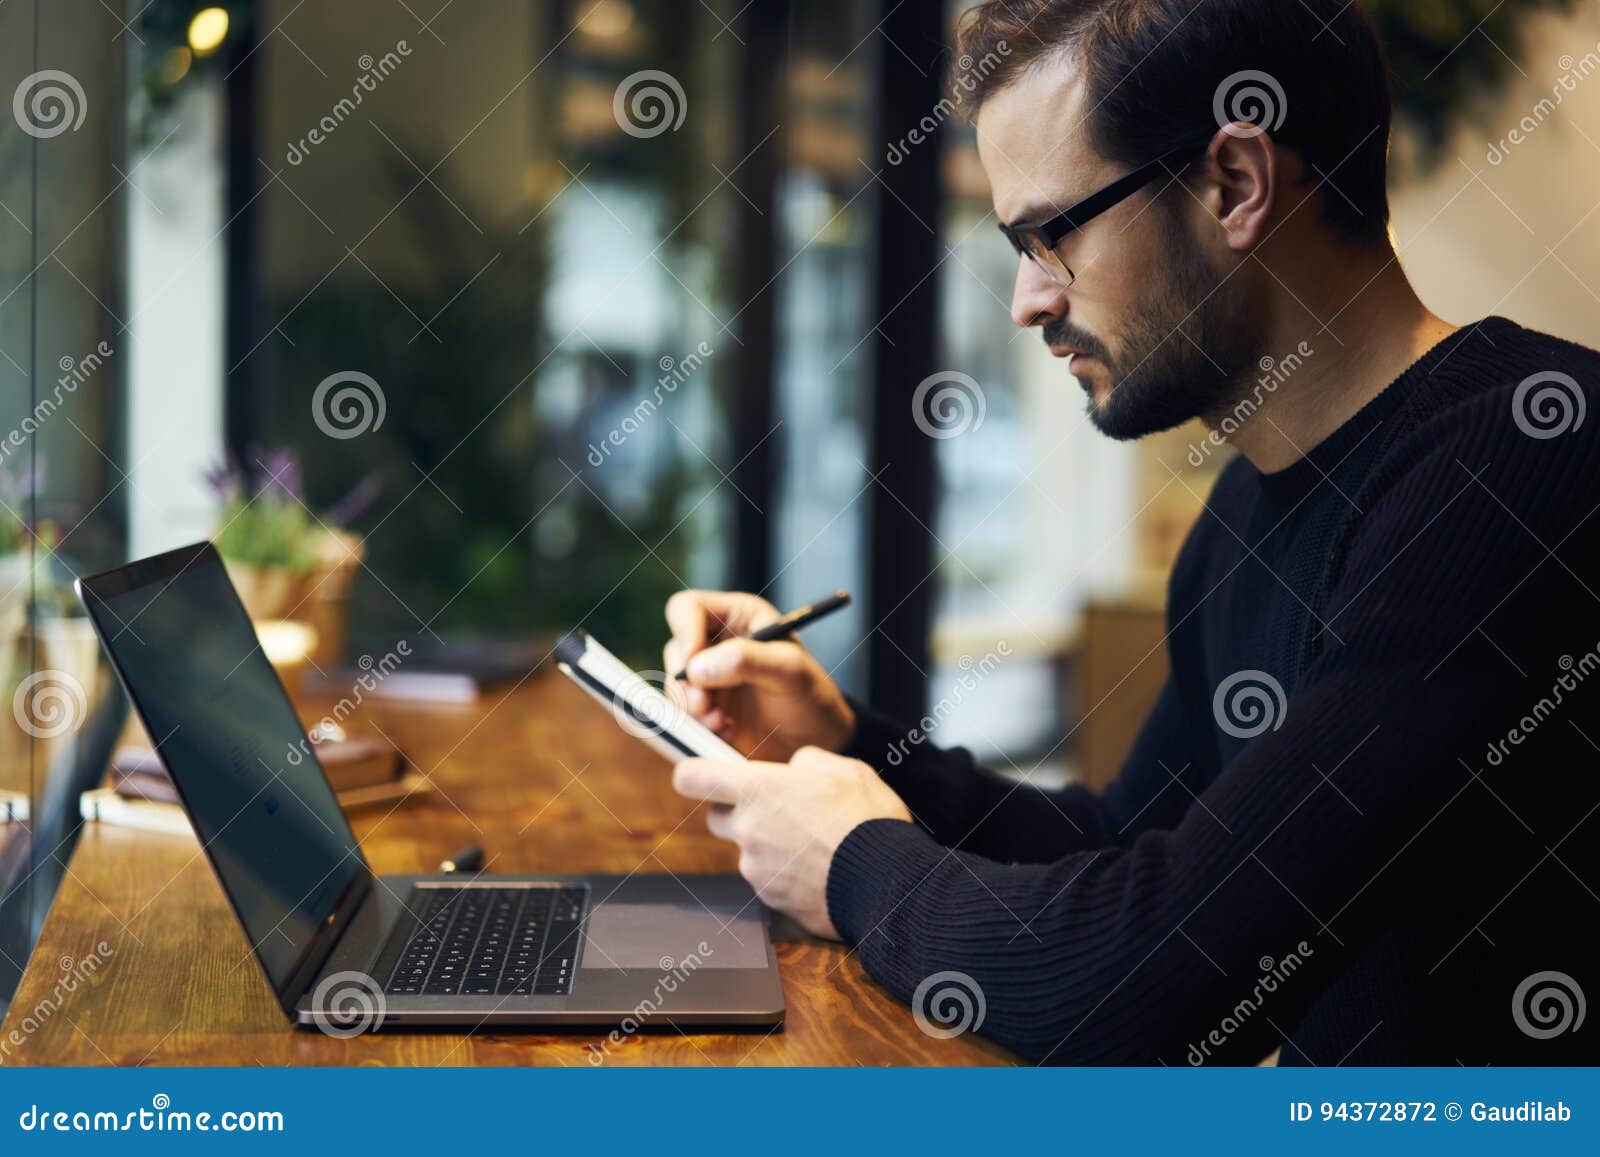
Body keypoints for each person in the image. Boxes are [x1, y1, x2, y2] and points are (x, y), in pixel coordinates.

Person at [665, 0, 1599, 1064]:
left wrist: (852, 862)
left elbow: (1141, 982)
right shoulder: (1249, 504)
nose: (1026, 300)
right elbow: (1132, 849)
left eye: (1047, 235)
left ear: (1234, 184)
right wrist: (847, 740)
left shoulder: (1528, 460)